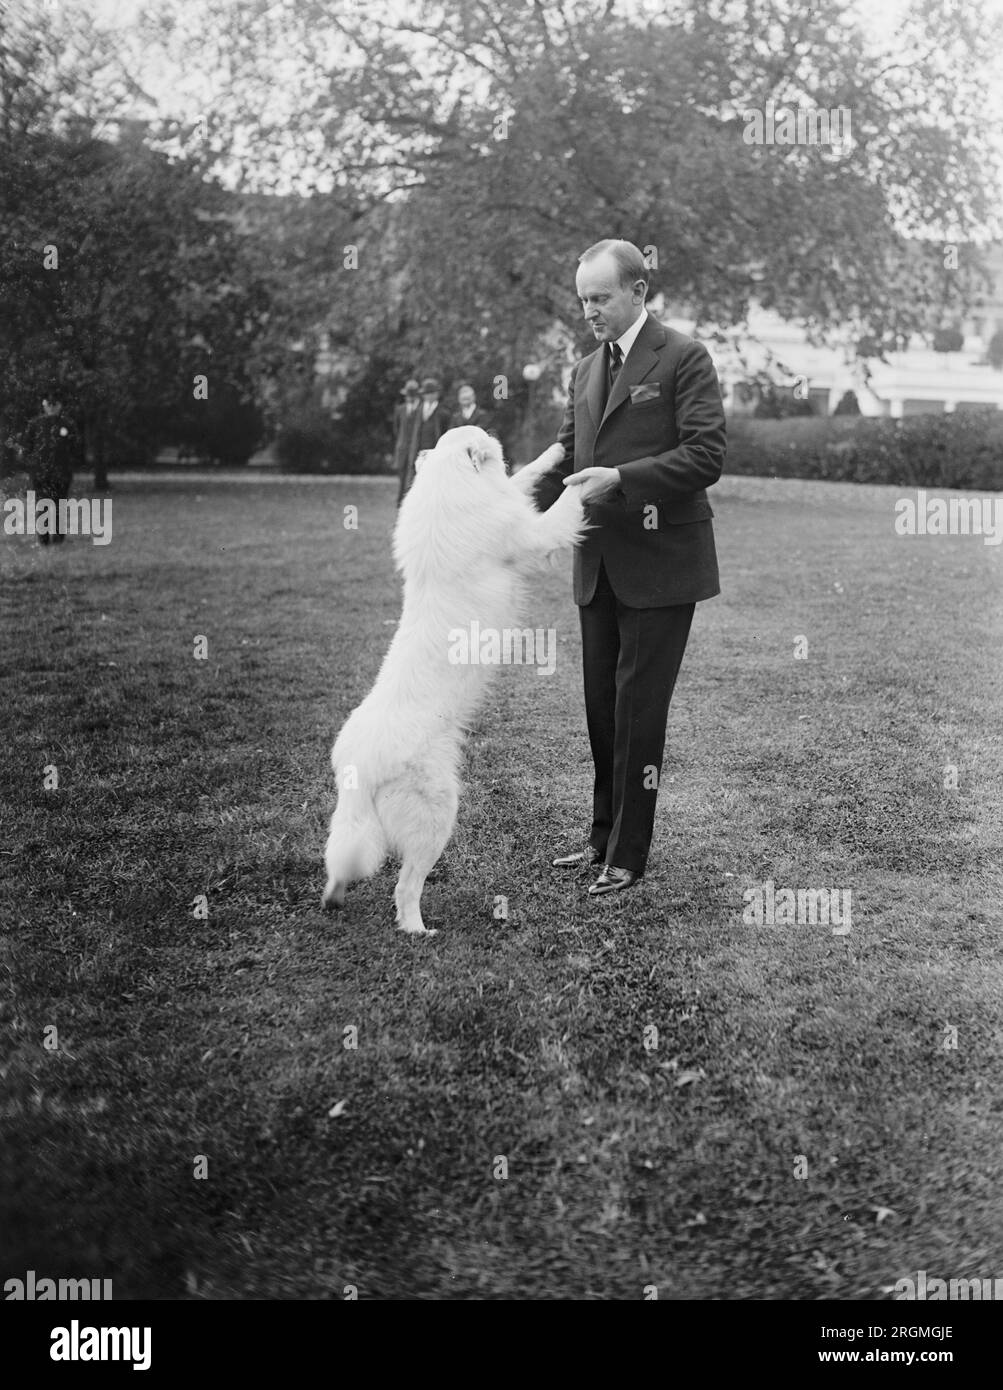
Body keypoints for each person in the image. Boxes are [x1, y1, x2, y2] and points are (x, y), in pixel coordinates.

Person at [531, 238, 726, 896]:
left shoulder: (684, 357)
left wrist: (622, 478)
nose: (588, 310)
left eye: (600, 297)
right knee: (601, 711)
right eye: (582, 298)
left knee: (639, 711)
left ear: (638, 292)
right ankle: (599, 838)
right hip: (597, 568)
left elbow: (705, 455)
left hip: (661, 566)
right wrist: (499, 503)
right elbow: (565, 457)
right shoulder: (584, 369)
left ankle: (628, 854)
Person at [22, 396, 84, 545]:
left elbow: (76, 448)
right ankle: (43, 541)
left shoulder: (67, 424)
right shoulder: (34, 425)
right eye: (48, 403)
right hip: (41, 475)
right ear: (43, 405)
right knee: (43, 506)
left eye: (54, 403)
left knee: (60, 506)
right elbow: (26, 449)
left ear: (60, 405)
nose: (51, 407)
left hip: (61, 474)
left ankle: (58, 539)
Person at [393, 378, 422, 505]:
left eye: (412, 395)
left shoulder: (421, 409)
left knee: (414, 476)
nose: (409, 398)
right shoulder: (400, 409)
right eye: (408, 395)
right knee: (402, 475)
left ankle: (411, 500)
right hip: (403, 448)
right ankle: (401, 500)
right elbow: (396, 428)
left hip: (416, 448)